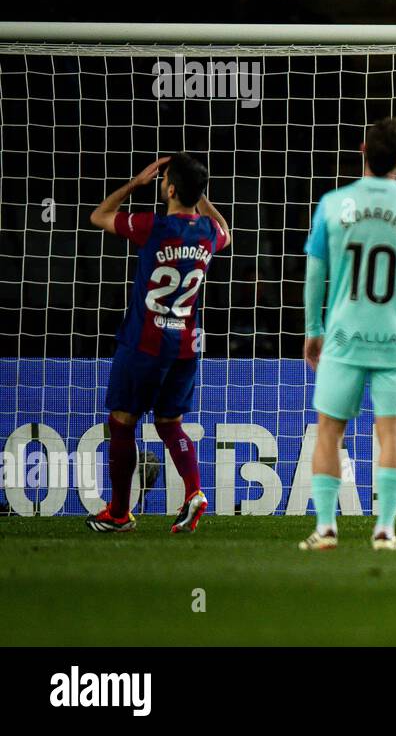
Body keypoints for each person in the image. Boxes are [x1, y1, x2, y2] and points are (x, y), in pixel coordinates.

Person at [299, 117, 396, 551]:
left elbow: (315, 274)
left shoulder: (333, 204)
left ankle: (325, 528)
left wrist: (313, 330)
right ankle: (384, 530)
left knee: (328, 432)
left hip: (343, 337)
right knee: (392, 434)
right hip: (394, 337)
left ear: (361, 150)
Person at [86, 154, 231, 535]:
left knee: (121, 424)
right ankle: (195, 491)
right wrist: (199, 195)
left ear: (168, 189)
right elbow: (225, 230)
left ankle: (119, 513)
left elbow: (99, 216)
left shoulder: (153, 227)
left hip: (145, 345)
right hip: (185, 346)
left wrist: (134, 185)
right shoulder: (208, 234)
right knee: (170, 425)